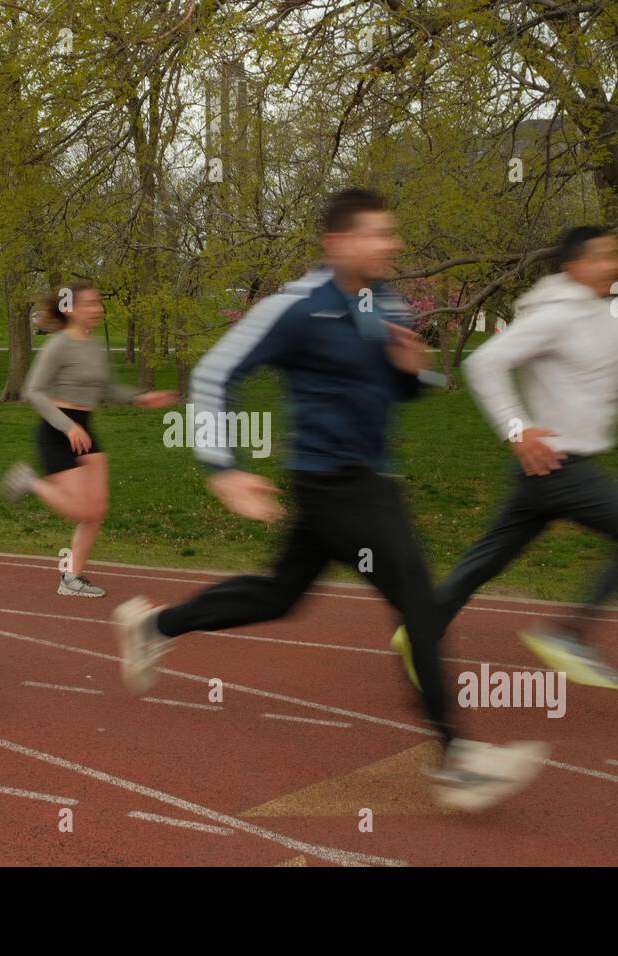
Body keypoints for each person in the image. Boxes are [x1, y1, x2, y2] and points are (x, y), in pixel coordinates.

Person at [111, 189, 548, 811]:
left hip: (365, 482)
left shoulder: (383, 301)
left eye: (392, 233)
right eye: (378, 233)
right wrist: (223, 469)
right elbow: (213, 376)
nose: (391, 244)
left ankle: (155, 624)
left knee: (279, 595)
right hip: (336, 485)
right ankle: (457, 760)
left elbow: (394, 393)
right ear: (338, 243)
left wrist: (412, 371)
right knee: (419, 603)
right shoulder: (295, 307)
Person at [393, 225, 618, 691]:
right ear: (574, 266)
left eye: (616, 255)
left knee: (488, 560)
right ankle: (567, 636)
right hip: (561, 464)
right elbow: (483, 363)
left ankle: (421, 629)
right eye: (604, 257)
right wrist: (517, 430)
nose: (616, 264)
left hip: (543, 473)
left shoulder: (613, 315)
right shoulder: (555, 316)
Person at [0, 282, 175, 597]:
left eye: (99, 303)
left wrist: (142, 398)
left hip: (86, 428)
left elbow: (106, 388)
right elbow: (33, 392)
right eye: (91, 303)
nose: (98, 309)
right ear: (71, 308)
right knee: (79, 511)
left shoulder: (93, 345)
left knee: (97, 510)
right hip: (57, 431)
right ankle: (30, 481)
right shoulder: (58, 345)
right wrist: (67, 426)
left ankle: (71, 579)